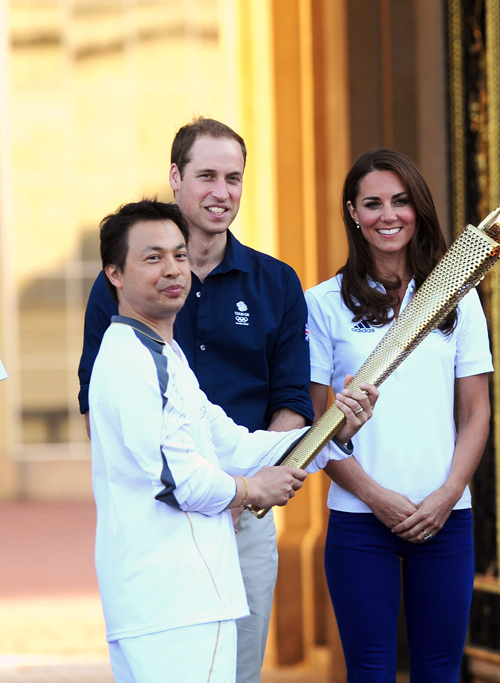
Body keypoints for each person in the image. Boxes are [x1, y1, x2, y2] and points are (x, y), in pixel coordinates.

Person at [89, 199, 376, 683]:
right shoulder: (132, 361)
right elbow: (179, 479)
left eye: (179, 255)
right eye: (153, 257)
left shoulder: (165, 353)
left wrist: (333, 431)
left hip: (190, 598)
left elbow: (236, 445)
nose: (172, 269)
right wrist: (250, 492)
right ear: (114, 274)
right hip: (171, 602)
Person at [77, 117, 314, 682]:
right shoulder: (128, 334)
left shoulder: (262, 290)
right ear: (176, 179)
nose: (221, 191)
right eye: (206, 175)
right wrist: (241, 489)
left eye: (233, 177)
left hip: (229, 531)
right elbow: (162, 466)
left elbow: (253, 424)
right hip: (167, 558)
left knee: (237, 673)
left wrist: (332, 433)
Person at [305, 148, 492, 681]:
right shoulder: (322, 303)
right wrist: (375, 496)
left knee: (440, 672)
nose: (388, 215)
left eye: (401, 201)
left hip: (445, 517)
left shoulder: (457, 296)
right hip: (360, 520)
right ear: (353, 214)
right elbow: (316, 423)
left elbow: (476, 411)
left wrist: (448, 493)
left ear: (418, 208)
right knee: (370, 672)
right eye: (373, 203)